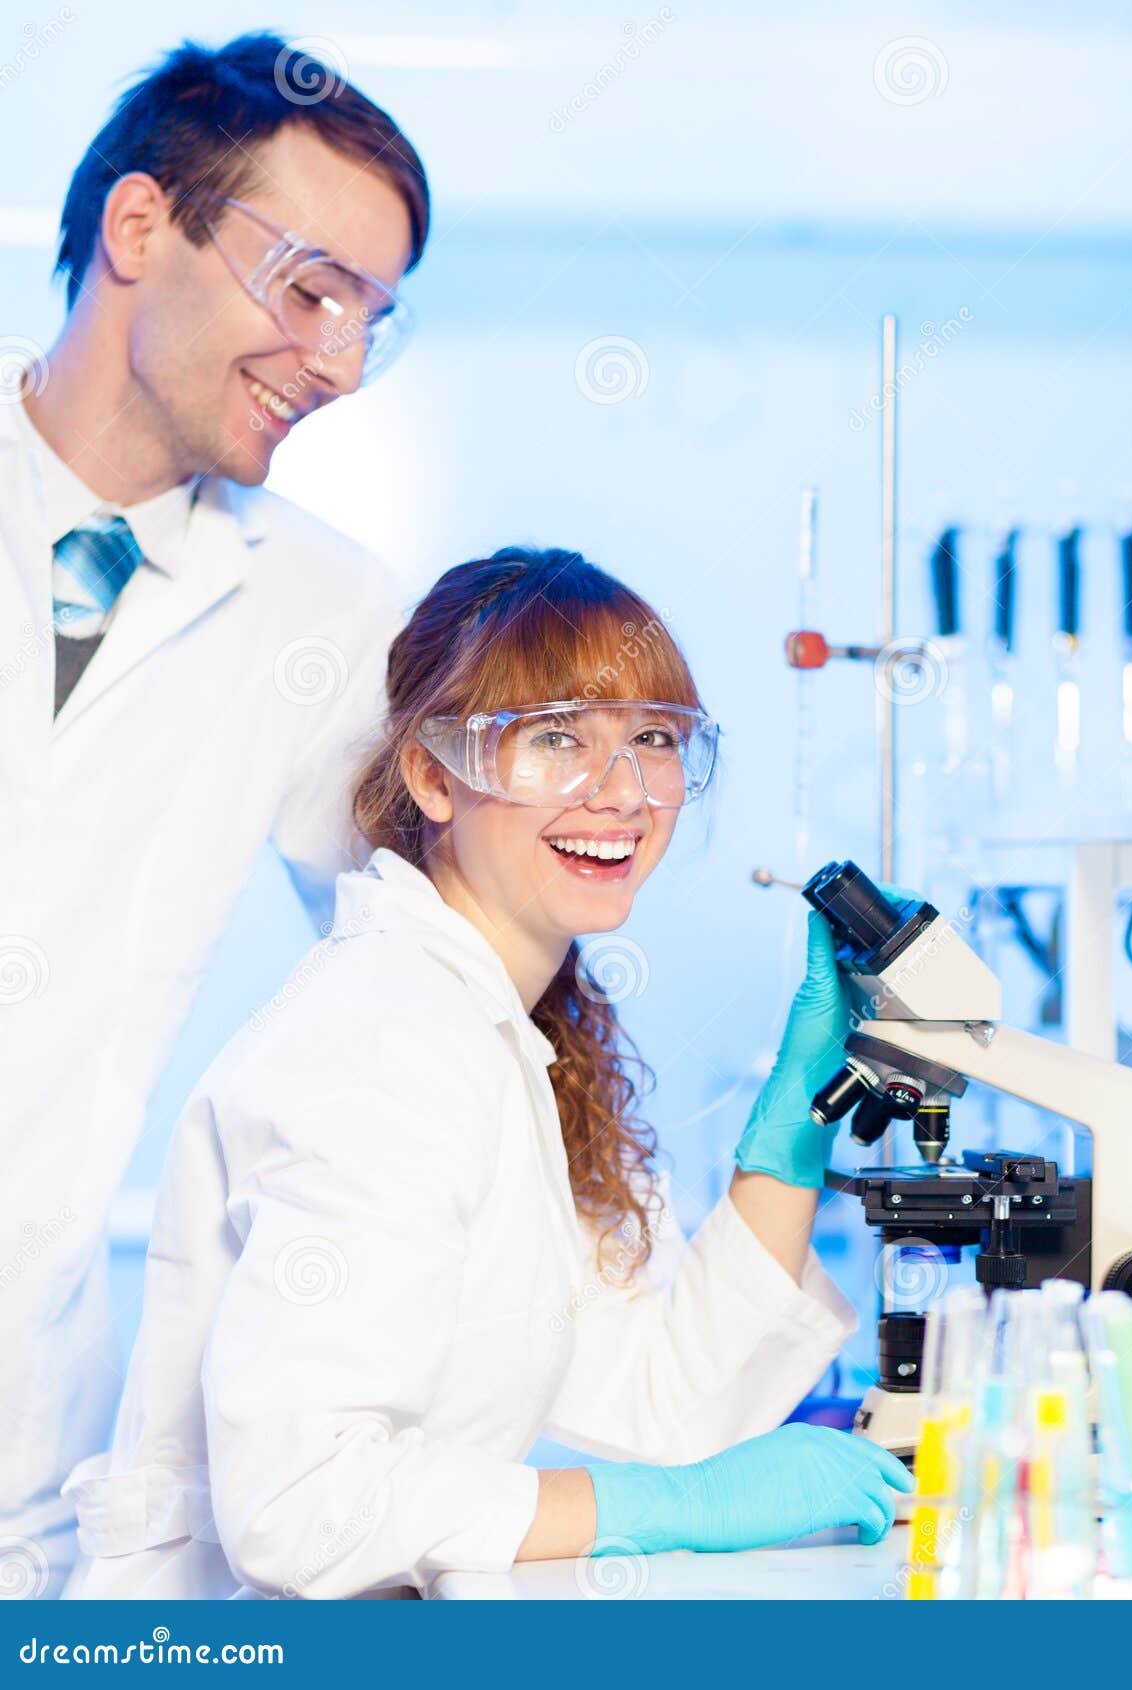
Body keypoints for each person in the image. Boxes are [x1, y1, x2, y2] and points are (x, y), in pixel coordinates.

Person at [61, 549, 911, 1599]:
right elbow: (298, 1503)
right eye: (556, 739)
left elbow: (662, 1402)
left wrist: (796, 1112)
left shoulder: (508, 1033)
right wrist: (666, 1511)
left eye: (652, 740)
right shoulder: (381, 1042)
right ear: (431, 774)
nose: (620, 794)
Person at [0, 34, 429, 1592]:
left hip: (20, 1462)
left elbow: (428, 965)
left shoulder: (320, 608)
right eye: (311, 290)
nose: (341, 364)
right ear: (137, 231)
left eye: (373, 319)